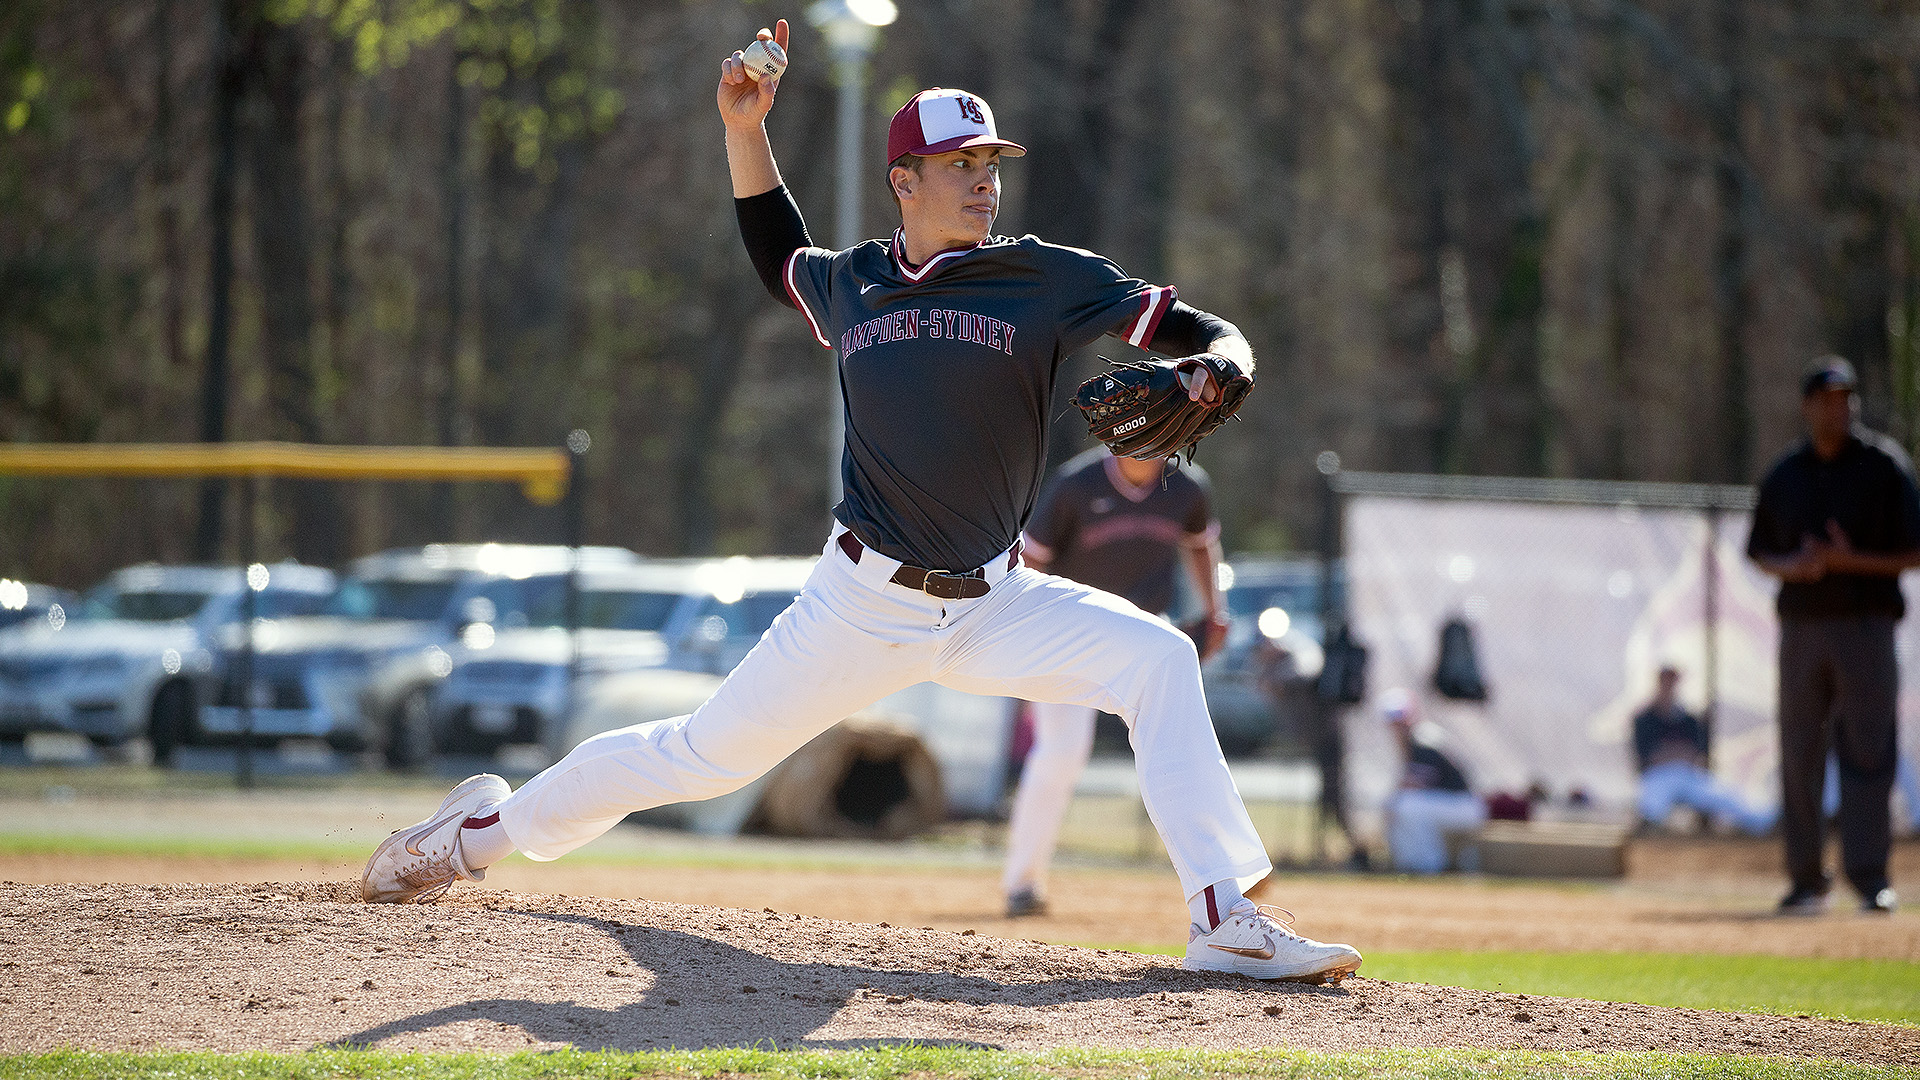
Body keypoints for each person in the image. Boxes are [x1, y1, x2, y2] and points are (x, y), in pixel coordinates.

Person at [360, 21, 1362, 983]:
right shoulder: (855, 285)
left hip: (997, 600)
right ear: (904, 181)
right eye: (960, 163)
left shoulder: (1043, 279)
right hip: (860, 604)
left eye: (991, 162)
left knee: (1159, 659)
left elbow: (1206, 329)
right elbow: (776, 253)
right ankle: (470, 836)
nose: (984, 179)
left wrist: (1223, 366)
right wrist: (744, 129)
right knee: (701, 757)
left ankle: (1223, 916)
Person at [1000, 446, 1228, 917]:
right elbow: (1030, 562)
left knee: (1181, 747)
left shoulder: (1185, 486)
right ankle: (1022, 883)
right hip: (1069, 631)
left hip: (1143, 630)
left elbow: (1200, 545)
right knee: (1061, 753)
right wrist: (1025, 639)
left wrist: (1215, 610)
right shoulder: (1076, 484)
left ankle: (1225, 879)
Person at [1747, 356, 1920, 915]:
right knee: (1799, 752)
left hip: (1866, 626)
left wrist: (1850, 561)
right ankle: (1805, 880)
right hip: (1802, 628)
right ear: (1807, 406)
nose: (1838, 409)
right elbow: (1758, 550)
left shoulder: (1883, 467)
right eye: (1827, 400)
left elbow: (1914, 551)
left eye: (1846, 399)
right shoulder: (1786, 473)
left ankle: (1869, 878)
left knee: (1868, 751)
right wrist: (1793, 566)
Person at [1633, 665, 1774, 835]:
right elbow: (1646, 756)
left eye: (1672, 681)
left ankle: (1765, 822)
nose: (1669, 686)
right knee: (1651, 808)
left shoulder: (1687, 719)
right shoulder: (1645, 718)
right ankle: (1651, 832)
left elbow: (1697, 754)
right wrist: (1678, 753)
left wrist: (1674, 753)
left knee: (1726, 796)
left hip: (1687, 774)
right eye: (1666, 681)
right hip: (1659, 775)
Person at [1380, 689, 1484, 874]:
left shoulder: (1423, 738)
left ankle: (1429, 866)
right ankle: (1408, 864)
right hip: (1448, 803)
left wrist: (1393, 799)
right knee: (1400, 805)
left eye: (1400, 717)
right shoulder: (1411, 739)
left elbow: (1416, 783)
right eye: (1393, 719)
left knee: (1406, 805)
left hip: (1462, 805)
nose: (1397, 724)